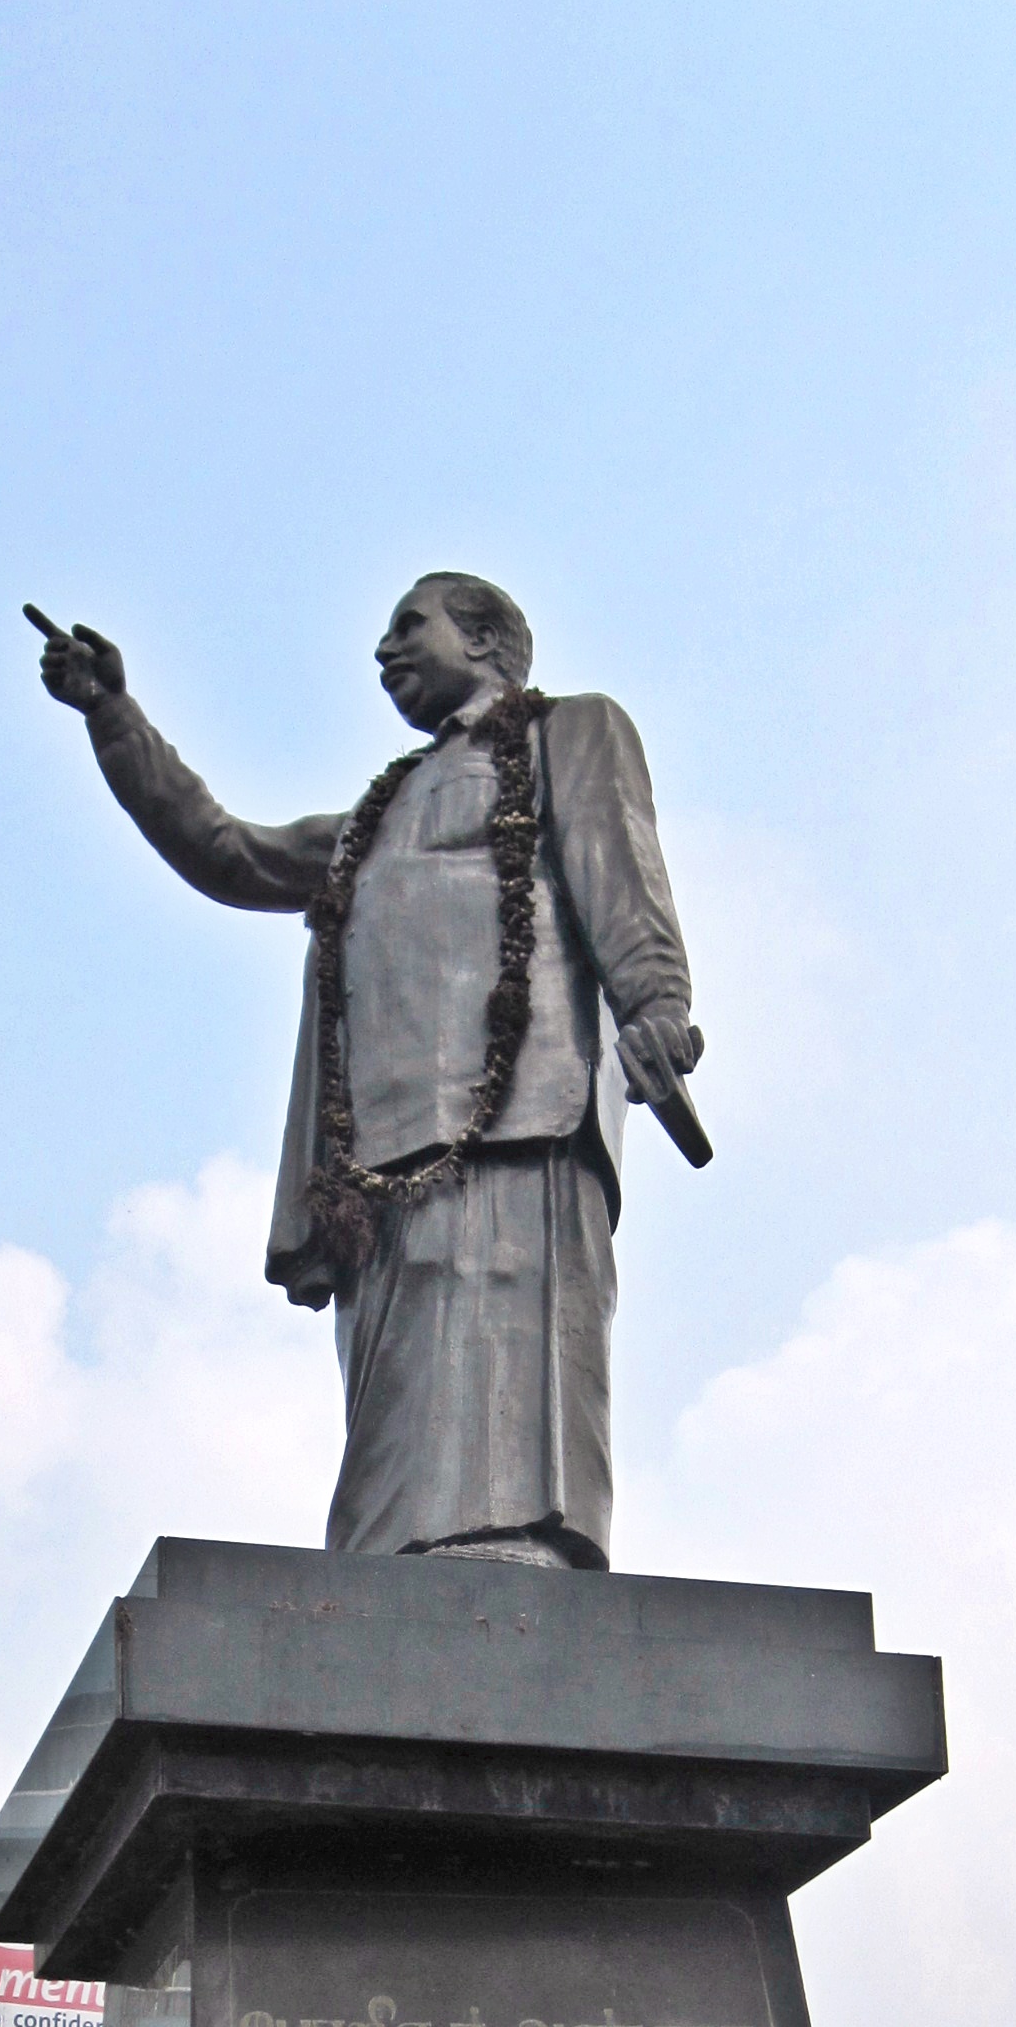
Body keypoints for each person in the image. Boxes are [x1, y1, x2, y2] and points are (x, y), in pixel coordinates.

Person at [38, 576, 703, 1569]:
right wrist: (112, 716)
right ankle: (399, 1566)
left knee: (513, 1325)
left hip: (524, 1106)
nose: (384, 652)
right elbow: (230, 852)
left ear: (484, 641)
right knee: (397, 1376)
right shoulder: (375, 816)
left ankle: (517, 1549)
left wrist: (655, 1005)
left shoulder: (569, 732)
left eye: (408, 627)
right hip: (386, 1144)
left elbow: (618, 861)